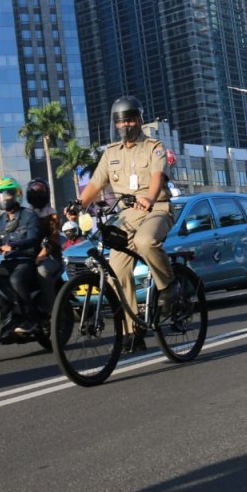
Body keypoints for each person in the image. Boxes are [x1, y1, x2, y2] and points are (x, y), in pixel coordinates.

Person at [67, 96, 177, 353]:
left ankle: (169, 287)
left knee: (145, 241)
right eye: (120, 122)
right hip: (127, 216)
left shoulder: (154, 147)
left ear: (138, 119)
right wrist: (79, 204)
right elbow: (95, 185)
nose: (125, 125)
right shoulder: (110, 154)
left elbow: (158, 176)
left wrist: (149, 198)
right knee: (116, 270)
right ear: (115, 125)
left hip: (156, 209)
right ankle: (133, 331)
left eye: (129, 119)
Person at [0, 177, 43, 333]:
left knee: (16, 279)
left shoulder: (29, 215)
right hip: (5, 262)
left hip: (25, 260)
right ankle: (5, 314)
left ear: (16, 194)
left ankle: (28, 317)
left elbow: (33, 238)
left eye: (7, 194)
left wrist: (14, 245)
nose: (3, 199)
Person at [25, 178, 62, 323]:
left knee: (42, 271)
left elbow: (54, 238)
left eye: (40, 192)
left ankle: (52, 311)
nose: (37, 195)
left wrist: (42, 254)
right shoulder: (26, 214)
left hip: (50, 257)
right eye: (34, 192)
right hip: (30, 256)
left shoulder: (51, 213)